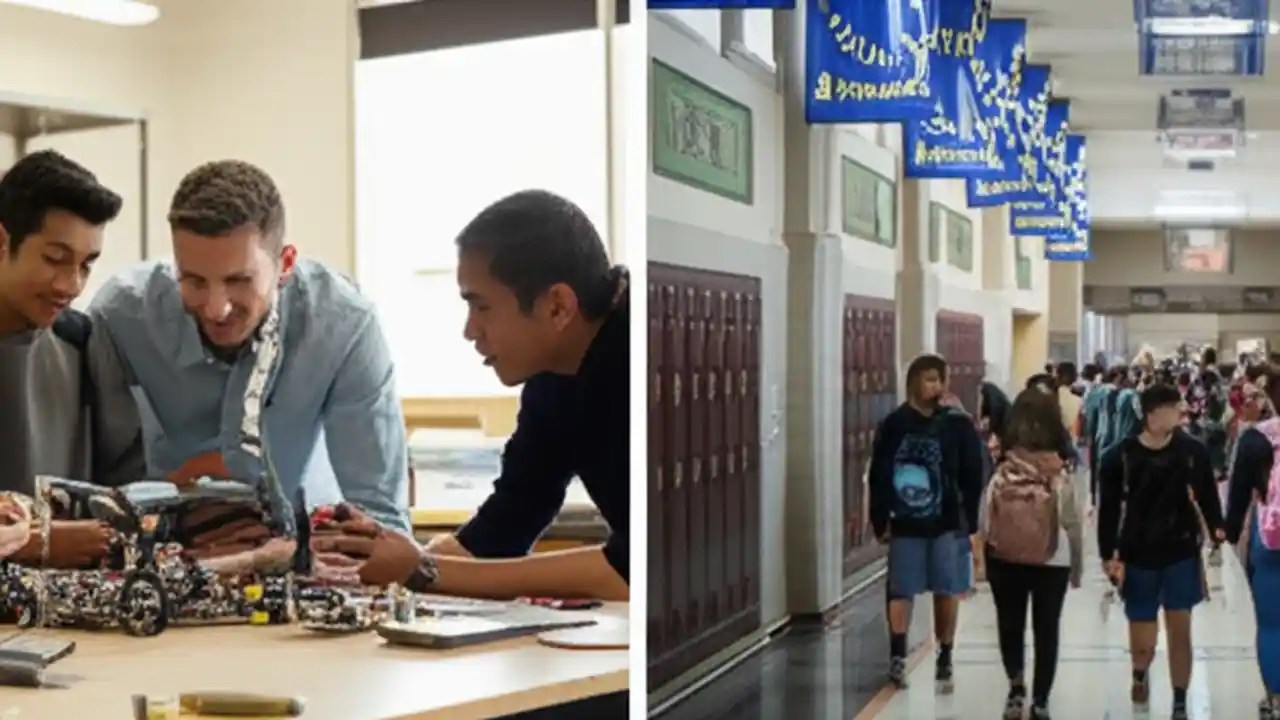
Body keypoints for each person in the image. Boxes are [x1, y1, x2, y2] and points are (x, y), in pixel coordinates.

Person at [311, 189, 629, 601]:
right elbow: (500, 533)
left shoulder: (639, 361)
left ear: (557, 307)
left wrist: (423, 571)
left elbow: (632, 569)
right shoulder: (553, 379)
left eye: (481, 307)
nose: (469, 331)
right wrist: (386, 555)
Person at [87, 160, 411, 539]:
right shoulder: (121, 316)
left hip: (310, 553)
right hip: (168, 551)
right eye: (193, 280)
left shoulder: (344, 325)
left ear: (285, 264)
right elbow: (98, 487)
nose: (216, 308)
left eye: (238, 280)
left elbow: (378, 513)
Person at [0, 150, 144, 567]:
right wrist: (31, 544)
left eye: (86, 265)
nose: (72, 284)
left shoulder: (81, 344)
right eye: (55, 259)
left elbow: (126, 493)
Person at [1096, 383, 1225, 720]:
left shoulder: (1191, 451)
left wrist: (1217, 528)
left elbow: (1208, 493)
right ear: (1150, 415)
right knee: (1144, 637)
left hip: (1180, 549)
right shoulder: (1119, 457)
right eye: (1171, 407)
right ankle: (1140, 671)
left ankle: (1180, 696)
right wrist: (1108, 554)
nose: (1179, 412)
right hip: (1137, 553)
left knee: (1180, 626)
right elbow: (1108, 509)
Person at [869, 354, 984, 691]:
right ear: (913, 383)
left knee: (946, 589)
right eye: (930, 379)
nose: (936, 386)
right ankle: (897, 654)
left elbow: (972, 475)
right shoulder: (894, 425)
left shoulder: (957, 424)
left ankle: (945, 653)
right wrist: (880, 519)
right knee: (901, 590)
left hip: (947, 523)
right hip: (905, 524)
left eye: (940, 380)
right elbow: (878, 474)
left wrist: (971, 524)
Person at [981, 387, 1083, 720]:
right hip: (1052, 560)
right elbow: (1071, 523)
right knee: (1046, 627)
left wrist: (983, 556)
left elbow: (985, 517)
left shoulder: (1002, 468)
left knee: (1009, 622)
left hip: (1004, 557)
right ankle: (1040, 699)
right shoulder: (1058, 472)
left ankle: (1016, 687)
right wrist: (1078, 568)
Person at [1224, 396, 1280, 719]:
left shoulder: (1257, 438)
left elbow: (1239, 491)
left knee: (1272, 623)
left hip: (1270, 536)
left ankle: (1275, 699)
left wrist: (1229, 533)